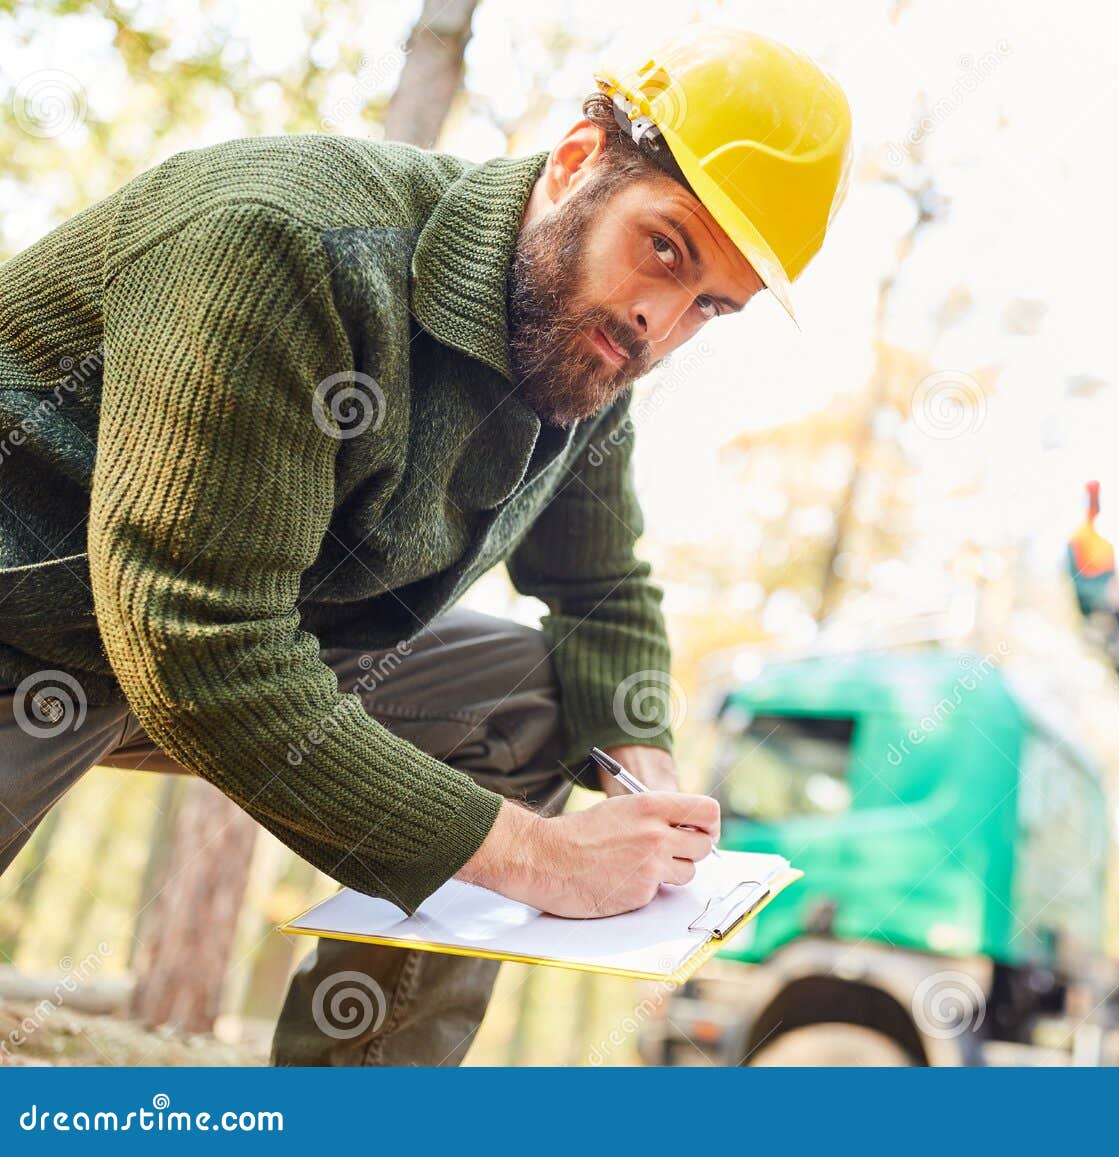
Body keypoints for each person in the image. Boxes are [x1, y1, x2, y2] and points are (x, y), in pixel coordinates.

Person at [0, 26, 852, 1064]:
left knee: (544, 699)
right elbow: (197, 639)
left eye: (708, 305)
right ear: (578, 163)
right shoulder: (281, 241)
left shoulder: (588, 353)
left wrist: (643, 770)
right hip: (35, 635)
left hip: (207, 655)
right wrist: (539, 859)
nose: (657, 323)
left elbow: (603, 590)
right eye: (664, 246)